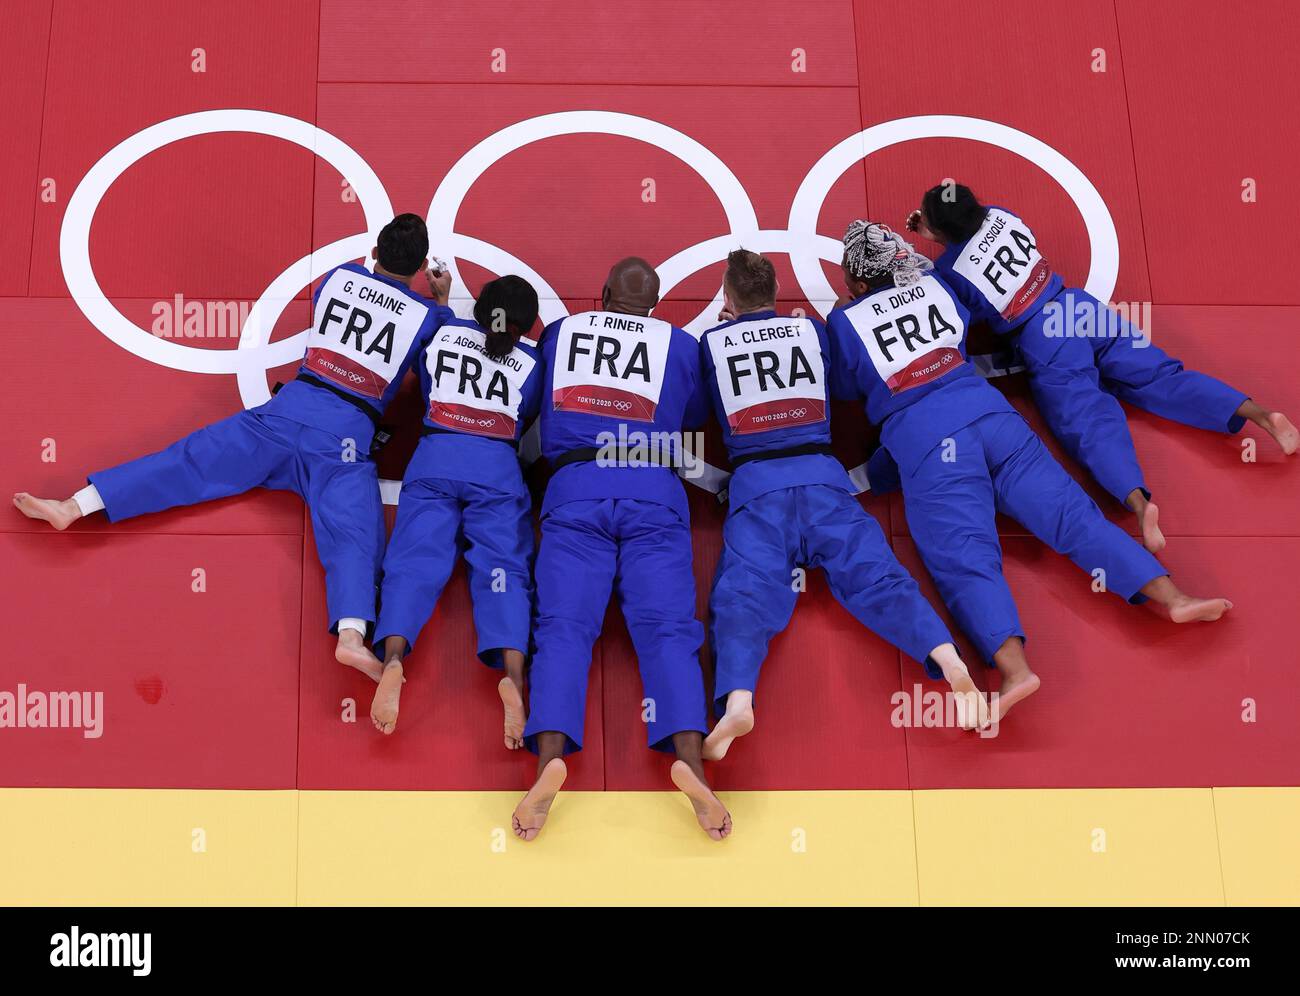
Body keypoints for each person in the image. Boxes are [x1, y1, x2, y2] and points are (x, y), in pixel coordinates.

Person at [14, 213, 451, 679]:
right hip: (341, 442)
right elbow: (431, 365)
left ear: (375, 254)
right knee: (356, 535)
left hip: (283, 416)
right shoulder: (430, 316)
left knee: (186, 460)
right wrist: (440, 298)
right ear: (422, 265)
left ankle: (74, 506)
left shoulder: (338, 278)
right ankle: (350, 635)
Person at [828, 221, 1234, 721]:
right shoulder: (933, 286)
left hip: (930, 442)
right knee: (1075, 519)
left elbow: (845, 387)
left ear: (858, 284)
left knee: (965, 559)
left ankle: (1016, 672)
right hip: (992, 418)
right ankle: (1172, 597)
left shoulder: (846, 322)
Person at [699, 249, 989, 760]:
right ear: (774, 293)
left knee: (742, 597)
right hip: (822, 479)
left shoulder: (711, 344)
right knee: (879, 576)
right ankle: (949, 661)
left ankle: (739, 700)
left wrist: (729, 334)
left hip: (759, 487)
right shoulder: (812, 331)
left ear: (727, 297)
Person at [908, 184, 1297, 552]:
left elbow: (959, 313)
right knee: (1163, 375)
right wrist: (944, 231)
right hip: (1078, 306)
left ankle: (1141, 504)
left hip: (1043, 336)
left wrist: (933, 248)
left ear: (940, 231)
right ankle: (1261, 415)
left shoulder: (951, 271)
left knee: (1089, 419)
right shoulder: (1001, 215)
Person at [512, 257, 729, 842]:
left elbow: (533, 400)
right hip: (652, 490)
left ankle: (547, 763)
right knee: (669, 633)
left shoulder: (560, 334)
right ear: (655, 306)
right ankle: (691, 762)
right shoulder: (681, 347)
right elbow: (695, 416)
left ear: (603, 294)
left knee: (561, 631)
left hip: (576, 489)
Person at [368, 276, 543, 744]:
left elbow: (426, 386)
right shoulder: (532, 360)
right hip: (496, 468)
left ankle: (393, 661)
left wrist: (443, 302)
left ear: (480, 307)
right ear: (527, 326)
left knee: (412, 564)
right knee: (503, 571)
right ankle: (513, 676)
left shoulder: (441, 333)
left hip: (435, 459)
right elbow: (526, 415)